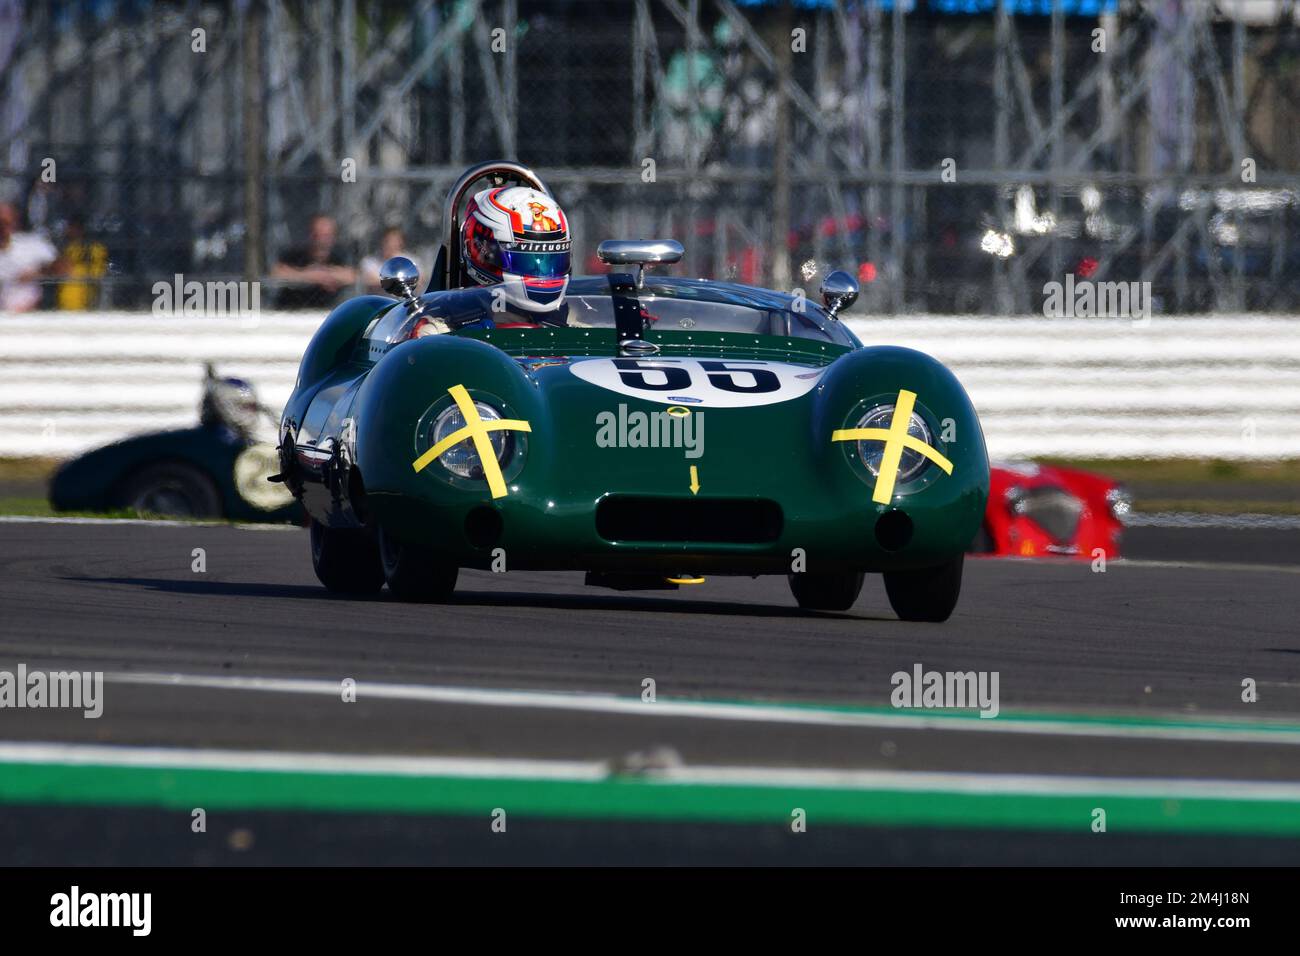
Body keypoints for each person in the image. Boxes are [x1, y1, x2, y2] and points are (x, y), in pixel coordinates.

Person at [460, 185, 571, 322]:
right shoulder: (443, 330)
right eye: (525, 259)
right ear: (481, 248)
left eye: (552, 259)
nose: (540, 271)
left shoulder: (579, 325)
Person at [271, 213, 357, 308]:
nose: (321, 240)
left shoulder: (340, 256)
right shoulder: (295, 256)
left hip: (329, 312)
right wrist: (309, 275)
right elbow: (277, 273)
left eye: (326, 236)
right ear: (310, 235)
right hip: (293, 311)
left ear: (333, 237)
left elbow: (355, 275)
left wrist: (325, 274)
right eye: (317, 235)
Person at [0, 201, 57, 312]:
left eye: (5, 223)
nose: (2, 228)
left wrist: (38, 272)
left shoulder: (32, 244)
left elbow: (64, 267)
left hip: (34, 316)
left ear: (14, 222)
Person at [54, 214, 109, 310]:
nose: (70, 231)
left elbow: (99, 271)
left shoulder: (95, 248)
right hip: (66, 291)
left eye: (73, 228)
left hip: (86, 290)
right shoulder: (67, 247)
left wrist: (74, 269)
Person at [360, 226, 422, 294]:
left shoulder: (411, 261)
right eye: (387, 241)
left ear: (401, 242)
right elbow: (369, 280)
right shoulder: (370, 261)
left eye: (394, 241)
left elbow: (419, 281)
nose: (390, 244)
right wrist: (401, 281)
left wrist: (386, 282)